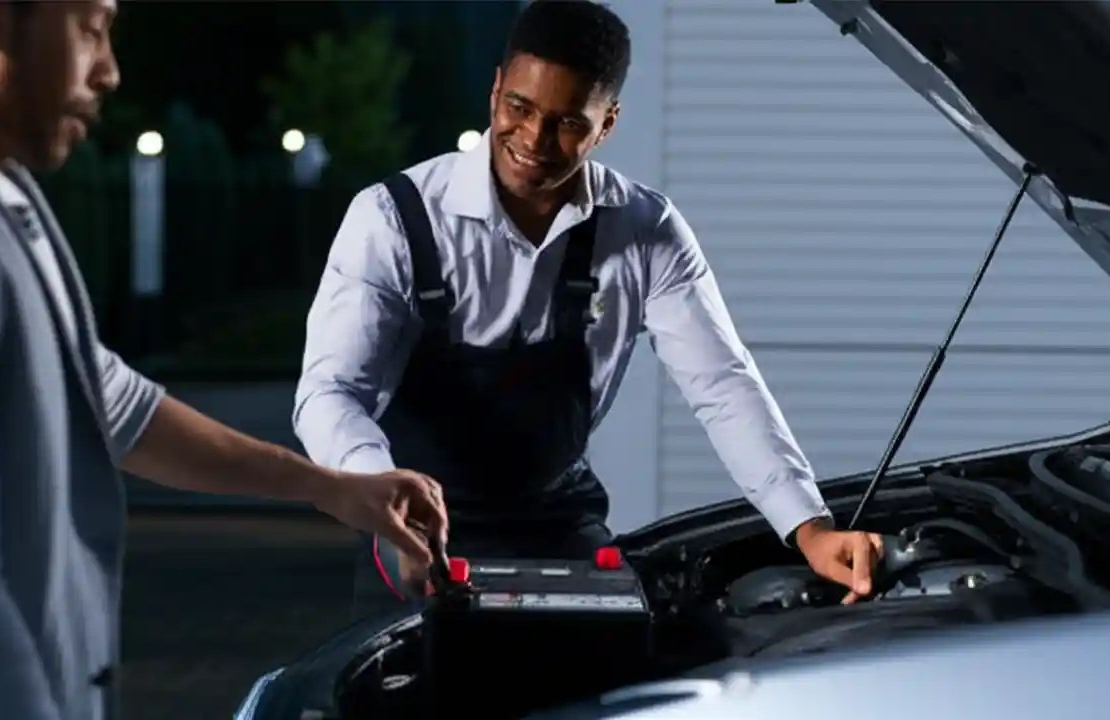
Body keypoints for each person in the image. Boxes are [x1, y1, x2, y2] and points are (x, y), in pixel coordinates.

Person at [0, 1, 447, 718]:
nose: (109, 71)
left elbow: (115, 403)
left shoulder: (2, 192)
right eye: (90, 29)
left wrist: (331, 487)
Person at [295, 0, 884, 617]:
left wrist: (809, 527)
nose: (534, 140)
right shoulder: (392, 219)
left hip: (557, 522)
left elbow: (722, 385)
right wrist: (384, 493)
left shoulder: (645, 230)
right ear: (496, 90)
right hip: (410, 528)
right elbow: (330, 392)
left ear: (607, 124)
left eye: (568, 123)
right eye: (519, 107)